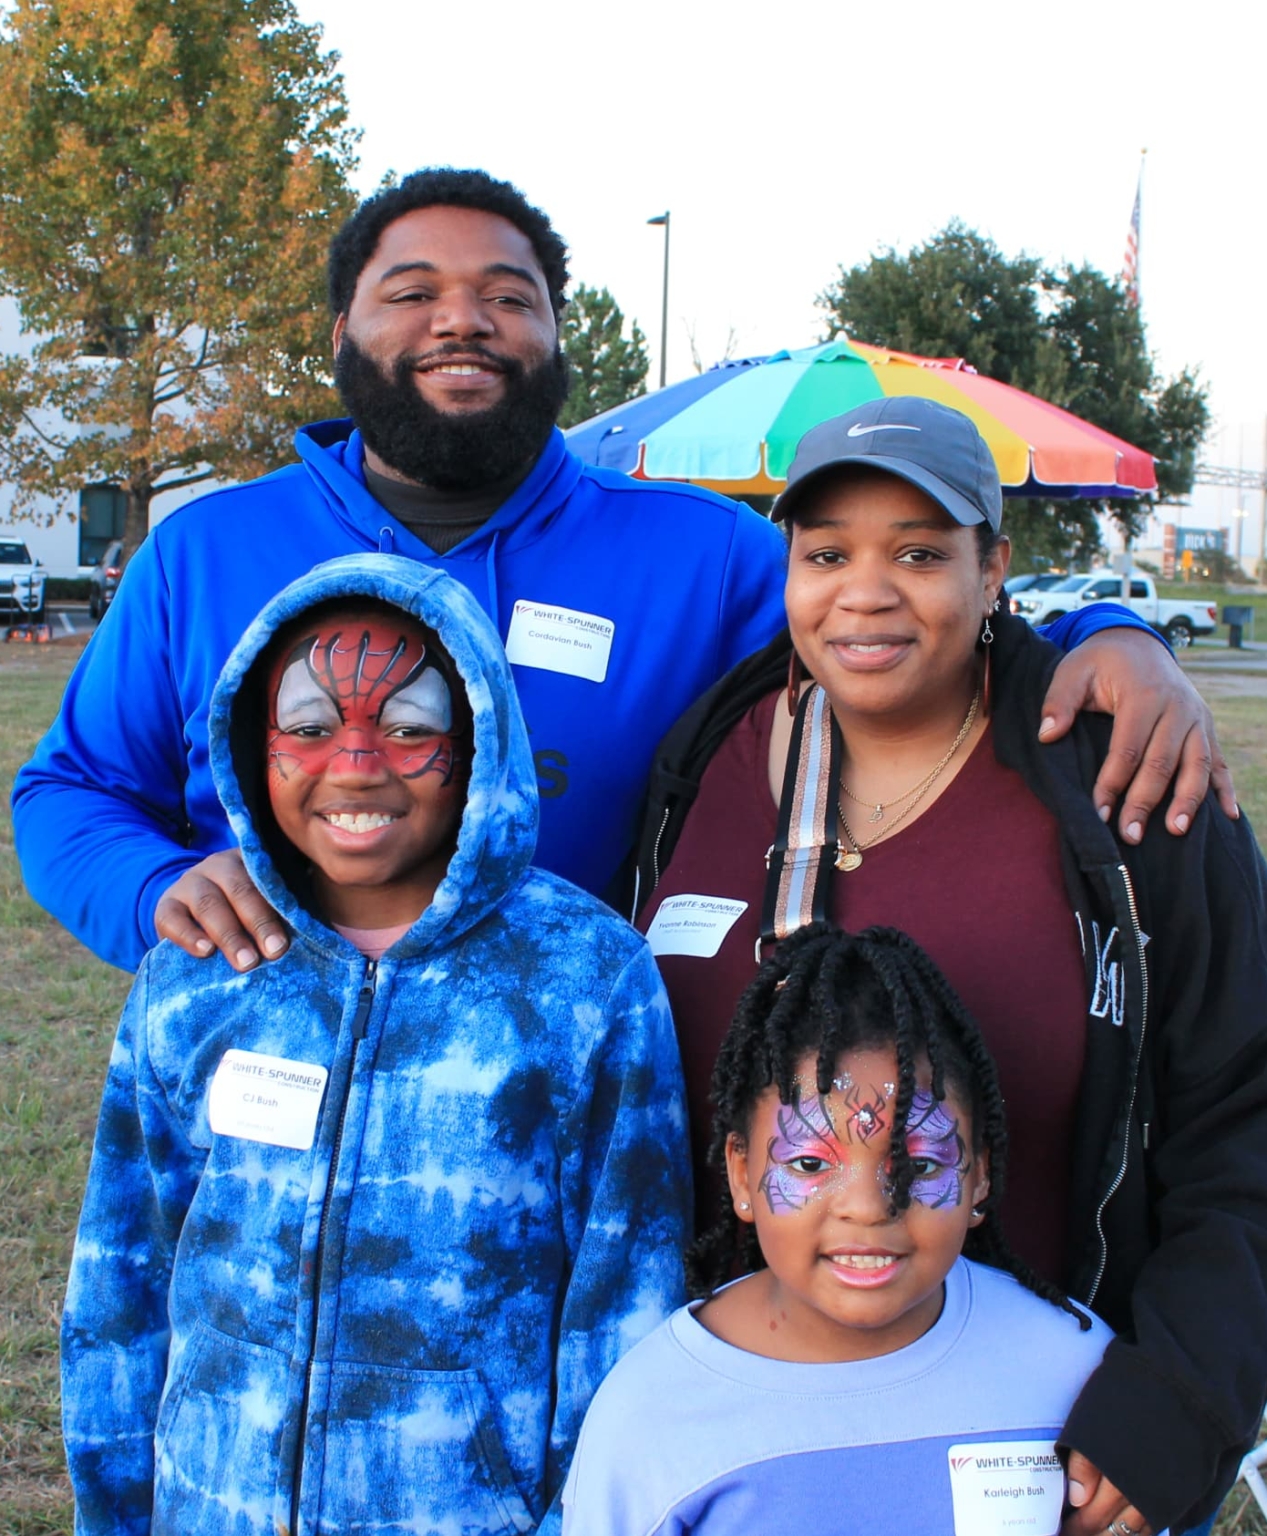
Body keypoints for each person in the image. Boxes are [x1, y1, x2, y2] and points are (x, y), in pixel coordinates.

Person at [12, 168, 1234, 974]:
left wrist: (1107, 638)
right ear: (342, 332)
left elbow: (893, 619)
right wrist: (155, 889)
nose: (462, 319)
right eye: (412, 292)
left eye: (508, 296)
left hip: (580, 1103)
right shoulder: (204, 553)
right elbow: (71, 791)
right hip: (269, 1081)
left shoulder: (696, 555)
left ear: (555, 333)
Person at [630, 396, 1267, 1535]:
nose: (865, 592)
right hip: (743, 1447)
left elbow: (1244, 1114)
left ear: (994, 570)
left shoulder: (1120, 784)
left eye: (920, 554)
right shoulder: (707, 754)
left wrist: (1182, 1395)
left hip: (1037, 1452)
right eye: (826, 554)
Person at [59, 553, 690, 1534]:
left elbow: (625, 1297)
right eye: (310, 728)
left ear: (477, 738)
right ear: (251, 743)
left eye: (408, 728)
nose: (356, 764)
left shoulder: (585, 978)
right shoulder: (198, 971)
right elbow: (121, 1275)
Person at [563, 924, 1115, 1535]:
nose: (868, 1207)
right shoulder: (652, 1415)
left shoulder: (1078, 1375)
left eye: (918, 1165)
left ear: (980, 1175)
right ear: (741, 1174)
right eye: (809, 1164)